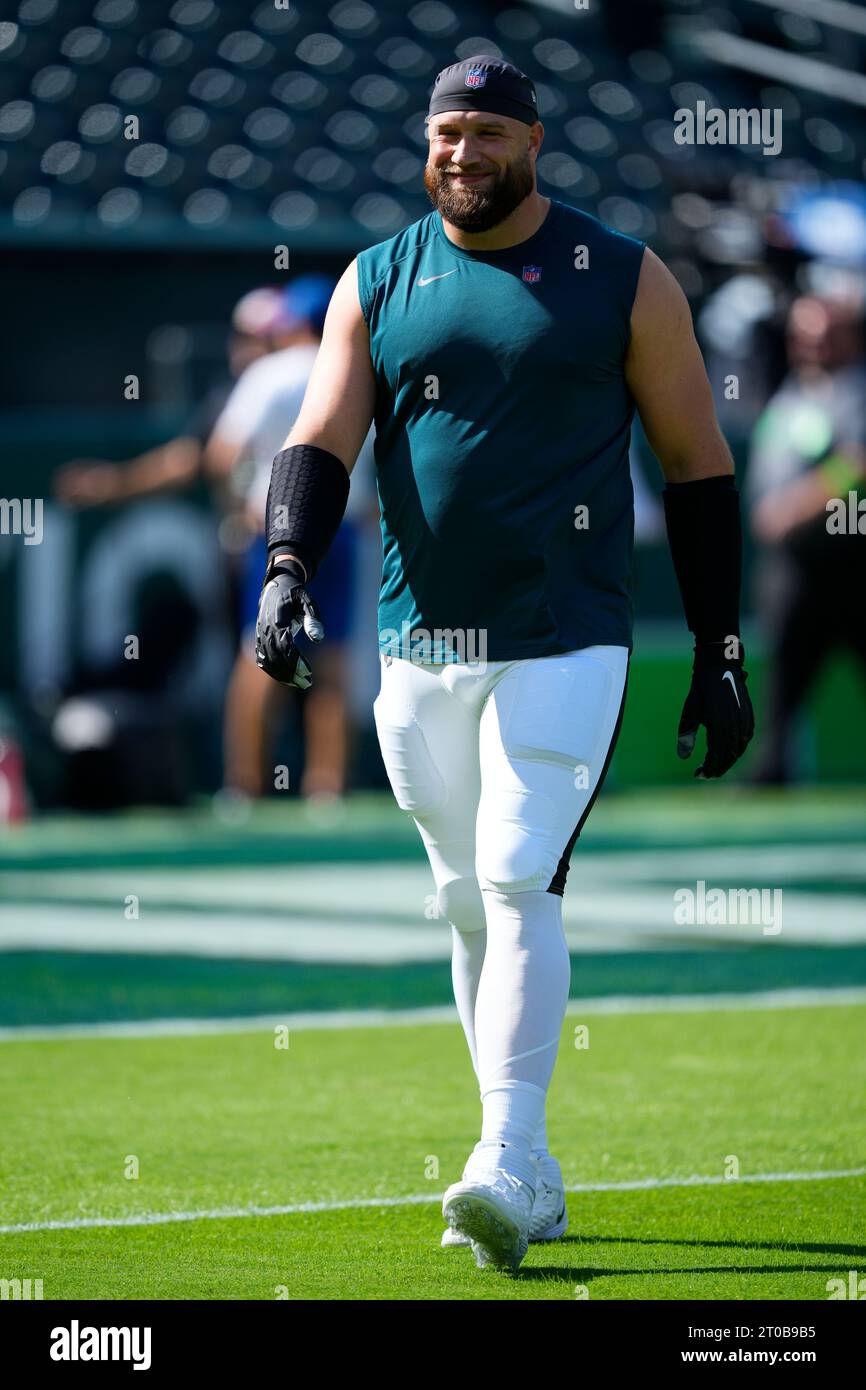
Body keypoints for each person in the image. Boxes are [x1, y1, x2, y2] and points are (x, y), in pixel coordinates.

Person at [254, 55, 754, 1271]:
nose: (461, 153)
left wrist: (717, 647)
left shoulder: (622, 276)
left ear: (533, 141)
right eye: (444, 133)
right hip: (417, 638)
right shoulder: (377, 279)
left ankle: (506, 1156)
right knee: (467, 902)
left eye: (484, 131)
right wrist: (283, 567)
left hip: (564, 630)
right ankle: (524, 1163)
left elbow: (696, 464)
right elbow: (319, 434)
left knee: (519, 873)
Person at [207, 275, 375, 801]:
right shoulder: (365, 370)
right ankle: (326, 789)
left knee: (257, 650)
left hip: (276, 535)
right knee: (334, 655)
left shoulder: (270, 372)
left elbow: (221, 454)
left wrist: (239, 508)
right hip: (343, 530)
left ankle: (244, 787)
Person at [747, 293, 866, 783]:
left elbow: (857, 463)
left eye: (825, 334)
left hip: (852, 559)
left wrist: (793, 507)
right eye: (803, 334)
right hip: (794, 568)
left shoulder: (856, 389)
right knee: (783, 679)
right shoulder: (794, 390)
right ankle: (771, 770)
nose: (812, 344)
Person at [54, 288, 284, 510]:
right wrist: (114, 482)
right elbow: (185, 460)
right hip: (253, 535)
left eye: (262, 339)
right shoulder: (230, 396)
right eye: (241, 336)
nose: (245, 347)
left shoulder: (304, 390)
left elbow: (206, 460)